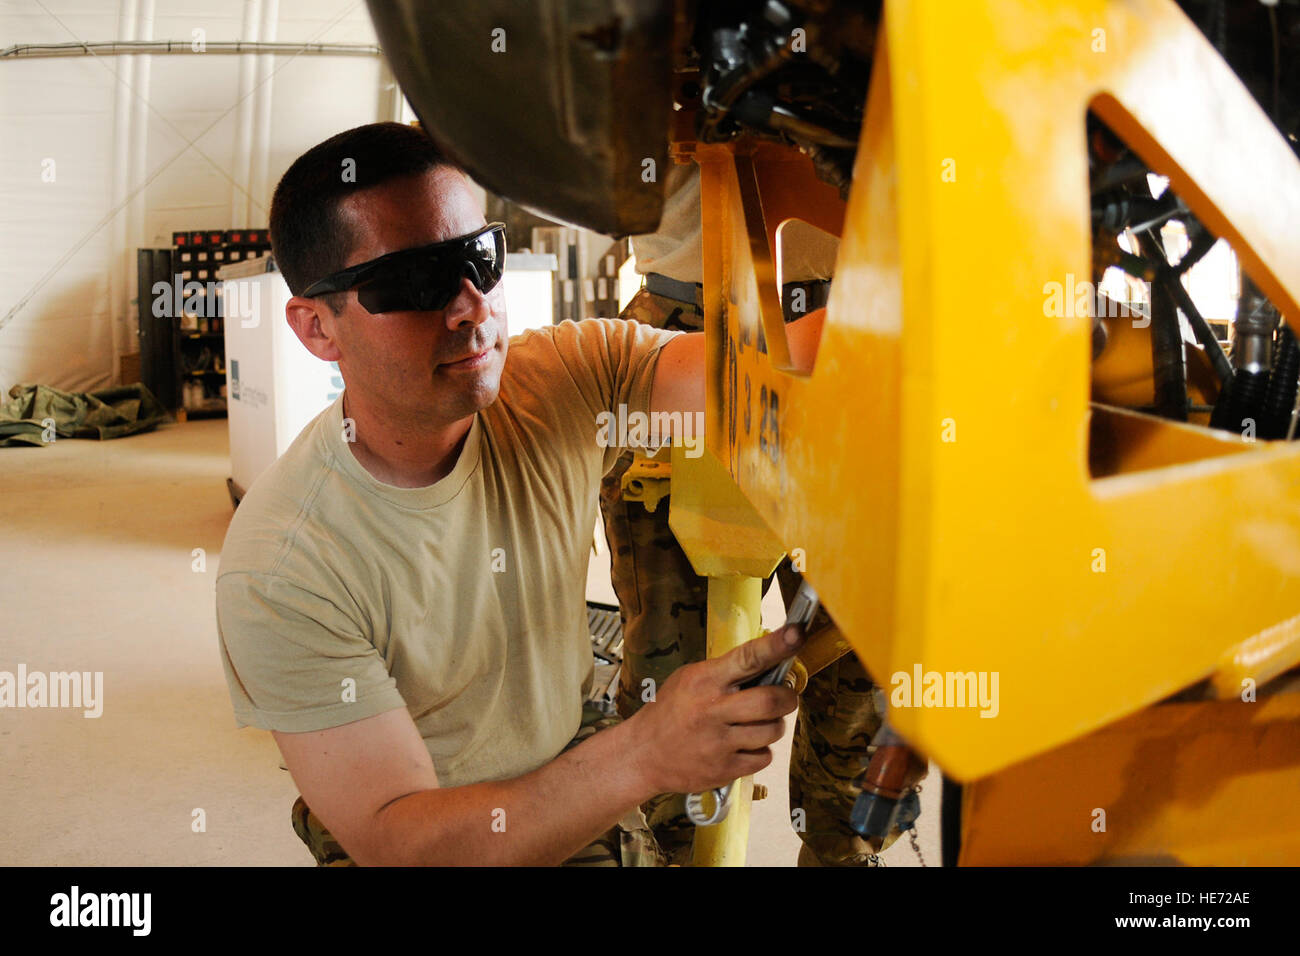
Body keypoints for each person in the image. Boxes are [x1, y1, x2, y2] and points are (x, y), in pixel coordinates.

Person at [213, 121, 826, 866]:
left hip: (570, 765)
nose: (472, 307)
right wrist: (644, 755)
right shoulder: (284, 563)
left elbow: (762, 375)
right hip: (437, 826)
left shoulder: (559, 379)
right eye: (416, 281)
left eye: (480, 259)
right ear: (317, 327)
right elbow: (402, 840)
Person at [603, 162, 901, 866]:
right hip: (678, 331)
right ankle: (672, 845)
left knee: (860, 652)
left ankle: (840, 845)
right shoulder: (655, 63)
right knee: (666, 665)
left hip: (841, 330)